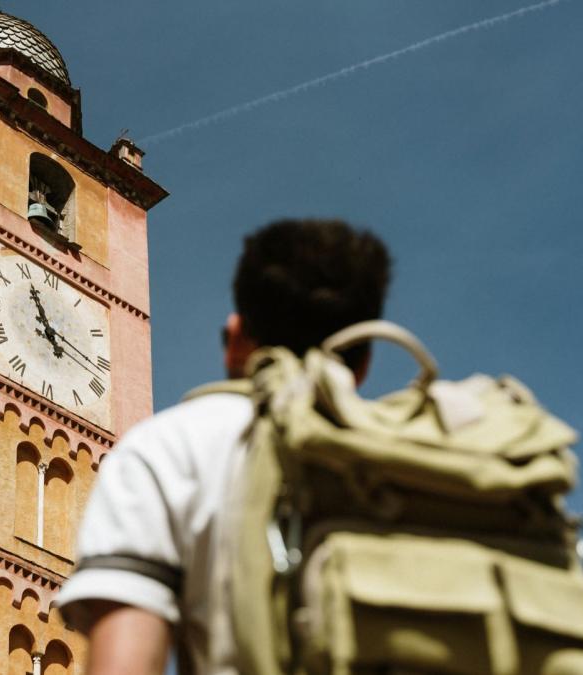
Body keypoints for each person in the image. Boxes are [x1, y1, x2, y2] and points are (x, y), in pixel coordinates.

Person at [54, 219, 392, 675]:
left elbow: (125, 661)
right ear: (363, 364)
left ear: (236, 338)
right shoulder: (420, 458)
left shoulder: (169, 447)